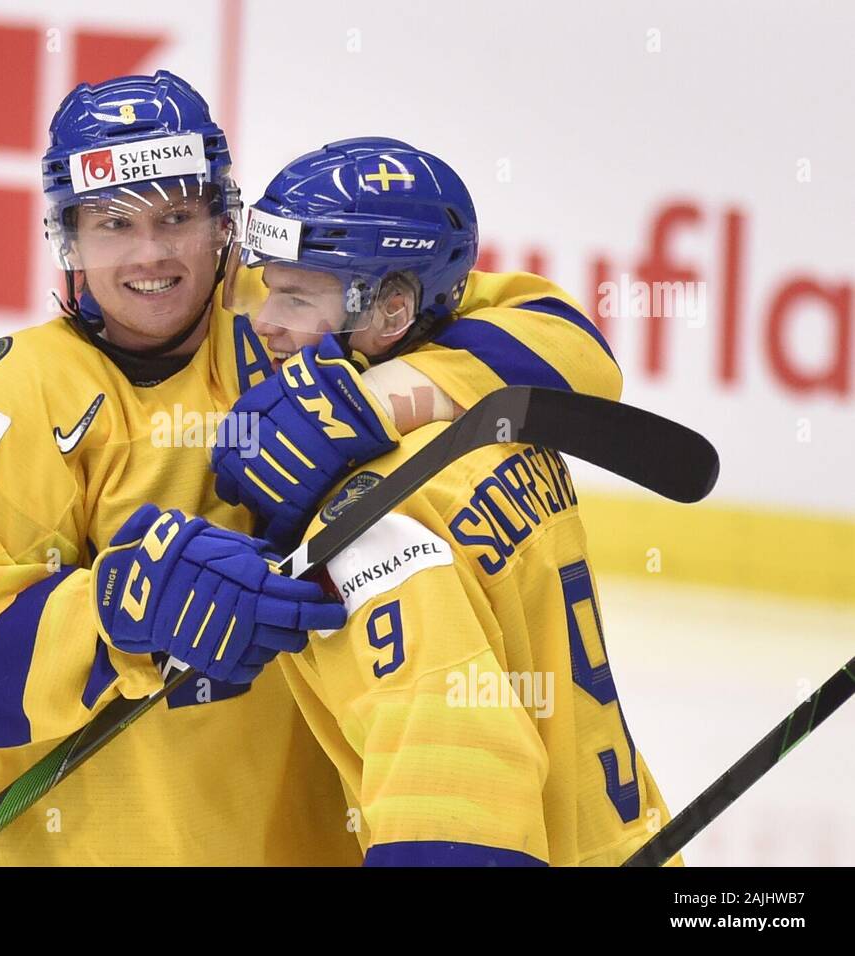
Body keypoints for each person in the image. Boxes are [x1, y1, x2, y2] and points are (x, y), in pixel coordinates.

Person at [0, 70, 625, 865]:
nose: (150, 255)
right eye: (112, 224)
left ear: (220, 223)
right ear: (69, 236)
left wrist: (376, 399)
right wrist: (118, 610)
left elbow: (572, 348)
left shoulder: (297, 312)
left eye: (177, 217)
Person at [212, 138, 676, 865]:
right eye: (269, 287)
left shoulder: (370, 508)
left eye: (298, 297)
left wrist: (355, 408)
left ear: (393, 309)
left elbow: (456, 776)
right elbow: (556, 332)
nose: (264, 321)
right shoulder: (494, 419)